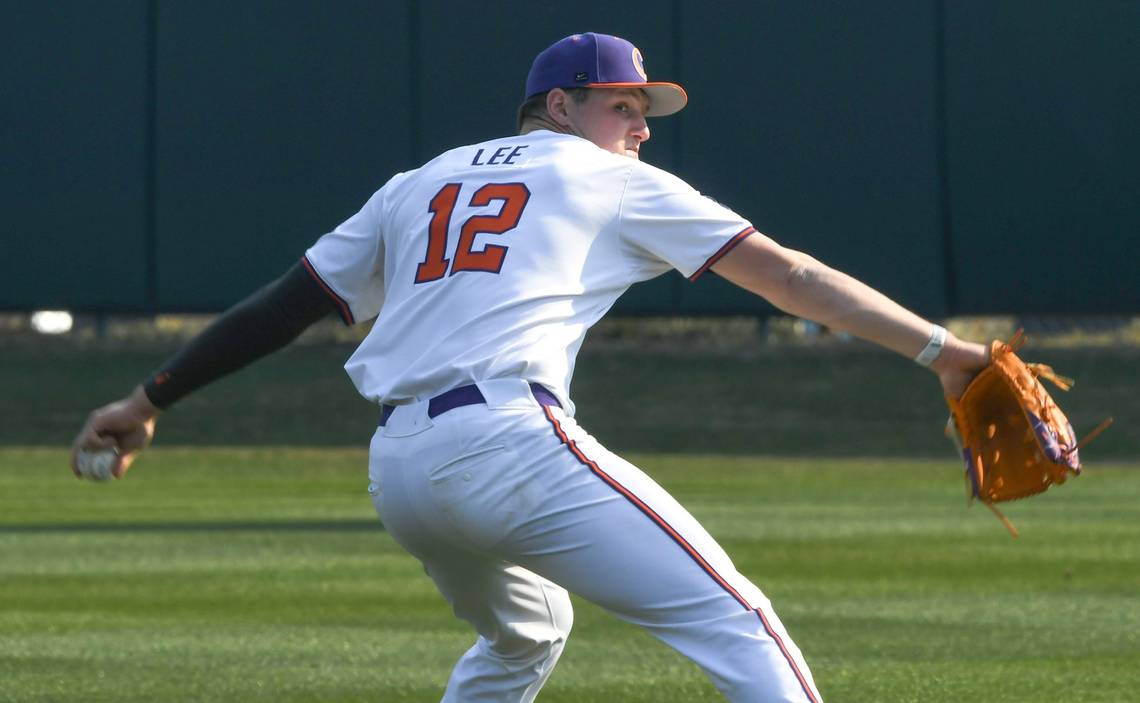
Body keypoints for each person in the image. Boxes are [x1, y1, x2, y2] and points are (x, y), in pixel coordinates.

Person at [72, 32, 987, 703]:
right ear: (560, 106)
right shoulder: (606, 177)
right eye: (622, 105)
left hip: (400, 472)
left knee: (528, 631)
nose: (641, 128)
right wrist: (945, 352)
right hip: (506, 443)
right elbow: (793, 278)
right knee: (737, 620)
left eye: (644, 111)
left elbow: (283, 307)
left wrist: (148, 398)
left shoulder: (420, 181)